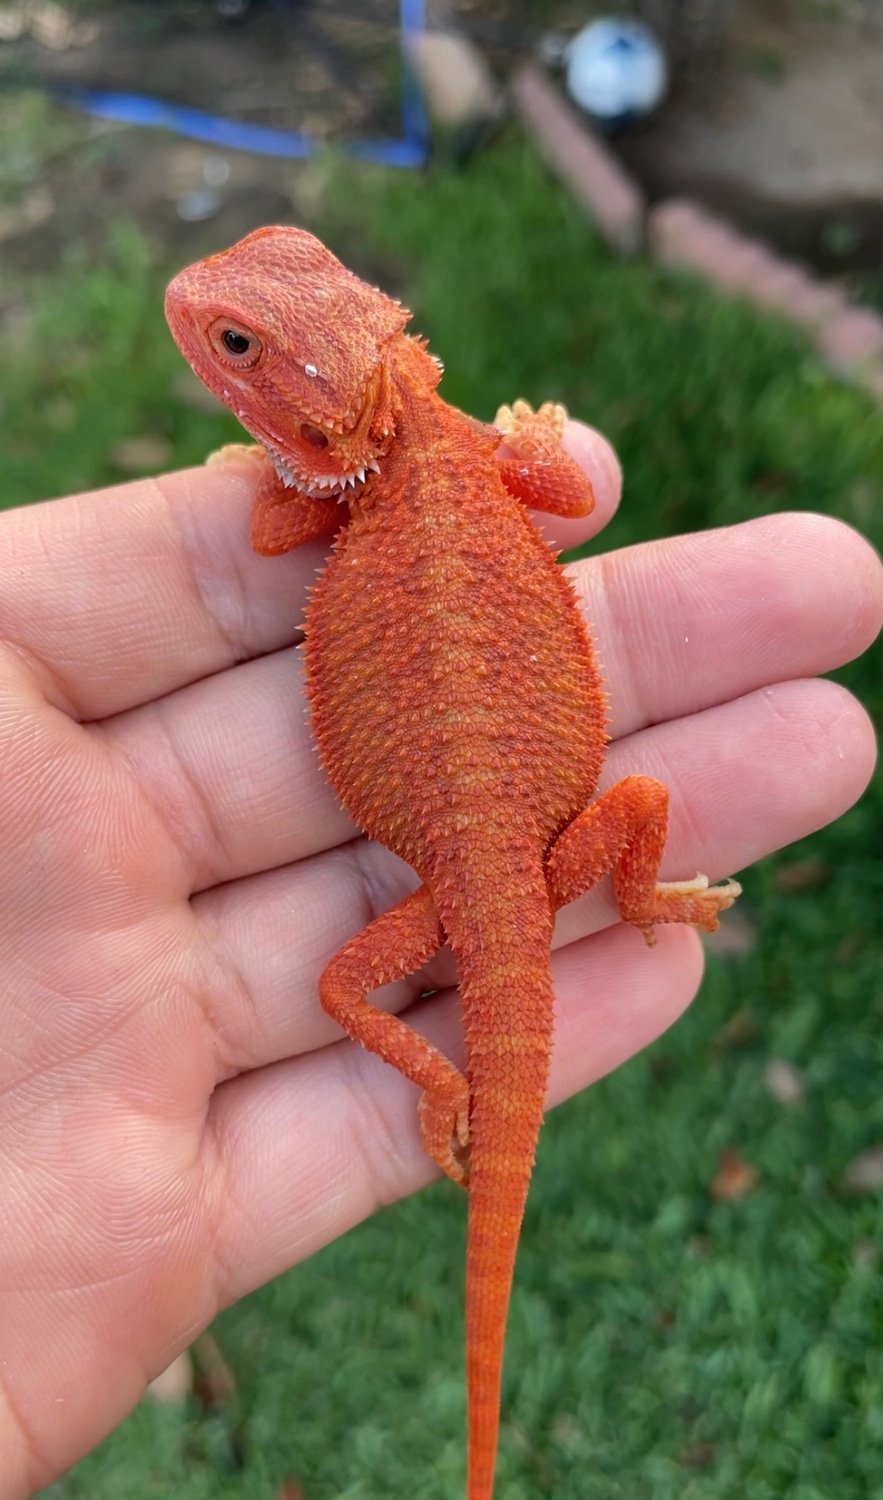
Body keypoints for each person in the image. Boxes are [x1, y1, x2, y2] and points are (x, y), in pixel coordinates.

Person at [0, 427, 880, 1497]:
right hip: (533, 868)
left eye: (247, 355)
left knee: (345, 985)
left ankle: (482, 1048)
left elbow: (280, 523)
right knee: (633, 806)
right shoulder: (457, 450)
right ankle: (629, 907)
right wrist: (521, 438)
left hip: (494, 869)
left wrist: (278, 469)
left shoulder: (371, 473)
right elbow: (557, 483)